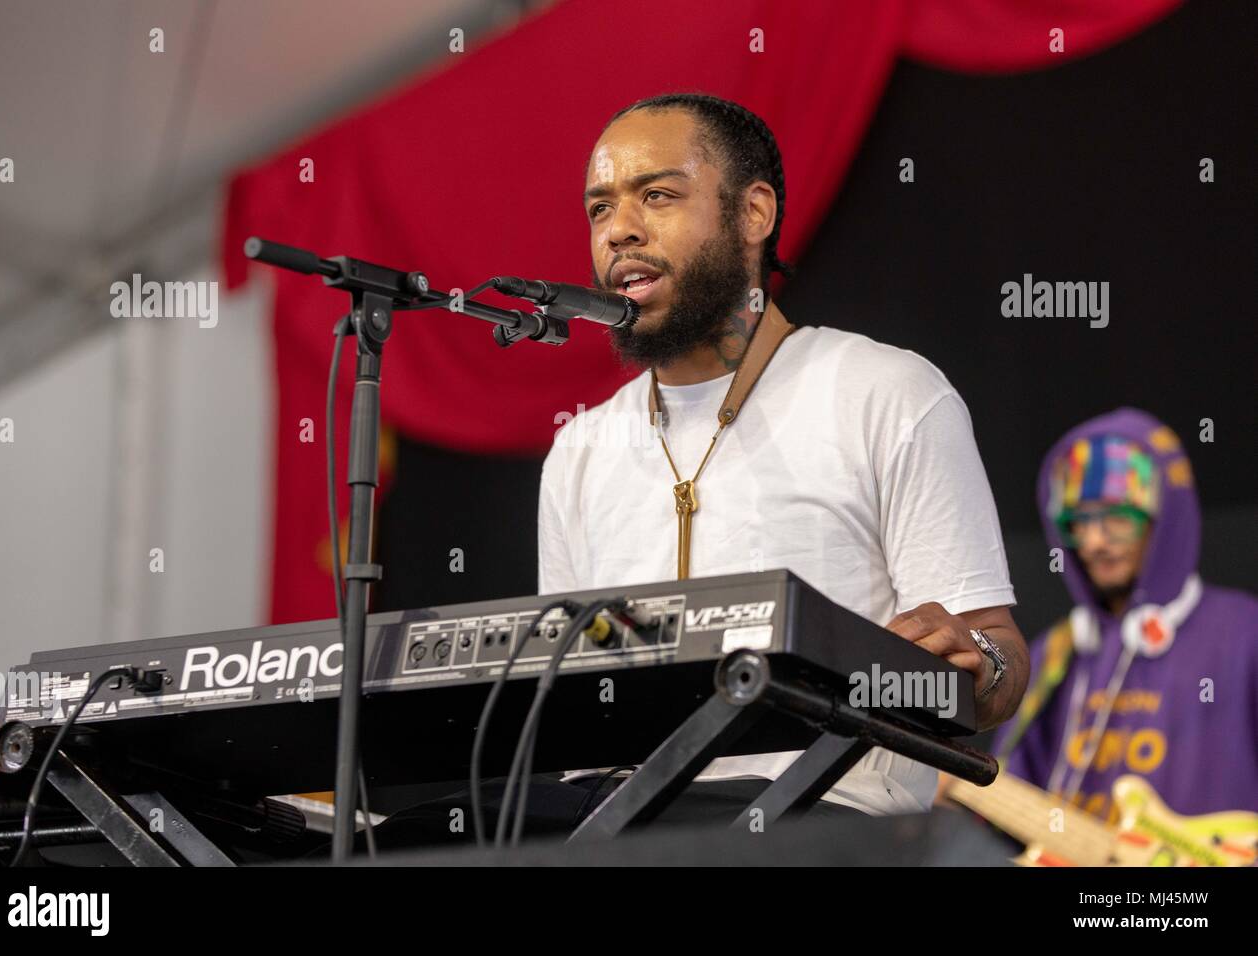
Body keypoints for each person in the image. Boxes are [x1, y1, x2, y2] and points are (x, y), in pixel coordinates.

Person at [536, 92, 1028, 819]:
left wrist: (978, 662)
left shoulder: (888, 392)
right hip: (610, 830)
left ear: (754, 213)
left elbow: (998, 659)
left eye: (657, 195)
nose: (619, 230)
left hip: (826, 826)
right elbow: (564, 704)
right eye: (599, 208)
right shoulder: (578, 449)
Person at [993, 408, 1258, 819]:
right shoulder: (1057, 651)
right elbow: (1007, 804)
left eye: (1117, 519)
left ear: (1165, 521)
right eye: (1078, 523)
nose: (1094, 543)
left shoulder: (1245, 633)